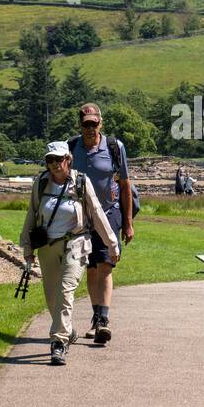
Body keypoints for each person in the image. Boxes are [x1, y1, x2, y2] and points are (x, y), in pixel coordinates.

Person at [20, 142, 120, 366]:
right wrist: (27, 248)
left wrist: (112, 244)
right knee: (52, 299)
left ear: (68, 159)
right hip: (47, 246)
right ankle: (68, 331)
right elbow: (31, 215)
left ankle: (58, 343)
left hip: (75, 243)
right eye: (50, 160)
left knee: (66, 291)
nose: (54, 164)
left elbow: (96, 213)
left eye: (59, 159)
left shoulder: (81, 182)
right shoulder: (41, 183)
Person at [68, 103, 135, 346]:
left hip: (109, 212)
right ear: (80, 124)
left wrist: (127, 223)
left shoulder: (115, 148)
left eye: (93, 123)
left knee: (105, 265)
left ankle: (104, 321)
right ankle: (96, 319)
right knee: (92, 268)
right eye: (85, 124)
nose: (89, 128)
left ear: (100, 123)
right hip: (82, 217)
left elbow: (125, 184)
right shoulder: (71, 148)